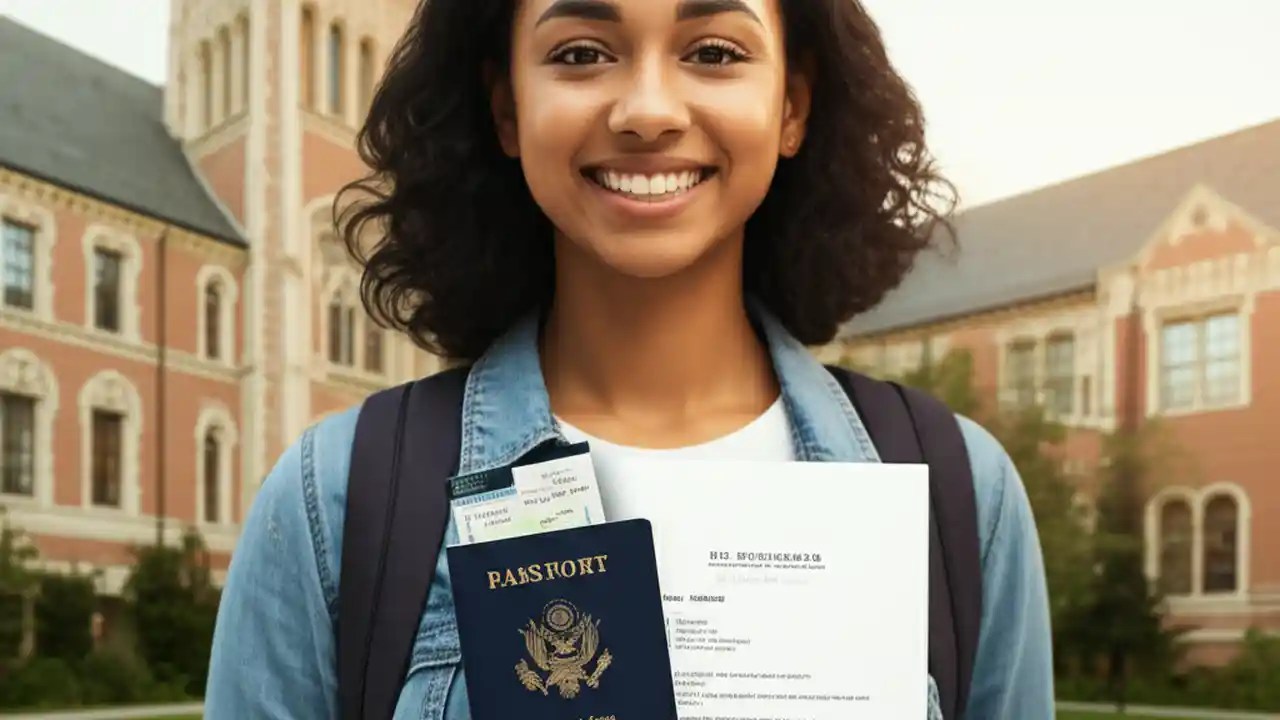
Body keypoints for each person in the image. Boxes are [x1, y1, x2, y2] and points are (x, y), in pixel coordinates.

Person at [205, 0, 1055, 717]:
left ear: (792, 106)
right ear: (507, 108)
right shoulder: (334, 501)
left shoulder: (961, 495)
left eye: (714, 51)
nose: (648, 109)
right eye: (581, 53)